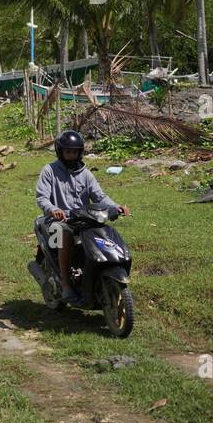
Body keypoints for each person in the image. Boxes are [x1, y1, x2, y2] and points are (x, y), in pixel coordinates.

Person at [36, 129, 130, 303]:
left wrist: (116, 207)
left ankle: (93, 275)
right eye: (68, 151)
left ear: (80, 152)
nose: (71, 155)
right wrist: (53, 209)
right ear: (60, 151)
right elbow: (42, 197)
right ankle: (65, 283)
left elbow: (100, 197)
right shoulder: (49, 171)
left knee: (105, 231)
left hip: (84, 219)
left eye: (75, 152)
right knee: (65, 233)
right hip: (57, 221)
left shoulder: (86, 174)